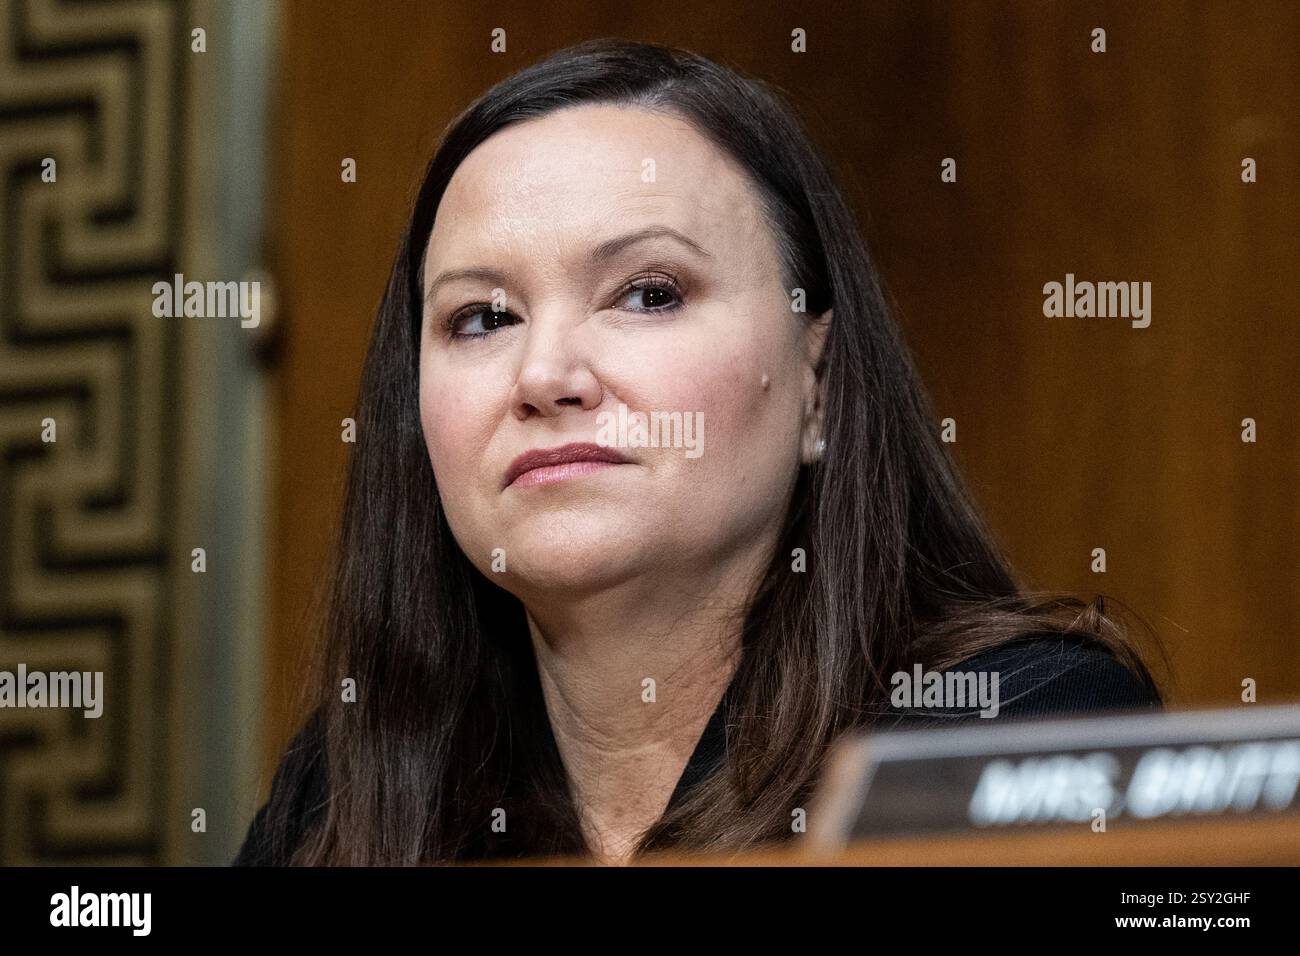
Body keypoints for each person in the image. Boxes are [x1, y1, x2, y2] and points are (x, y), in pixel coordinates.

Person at [234, 38, 1162, 867]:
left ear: (819, 382)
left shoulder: (1014, 725)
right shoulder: (341, 797)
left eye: (647, 293)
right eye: (483, 317)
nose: (546, 373)